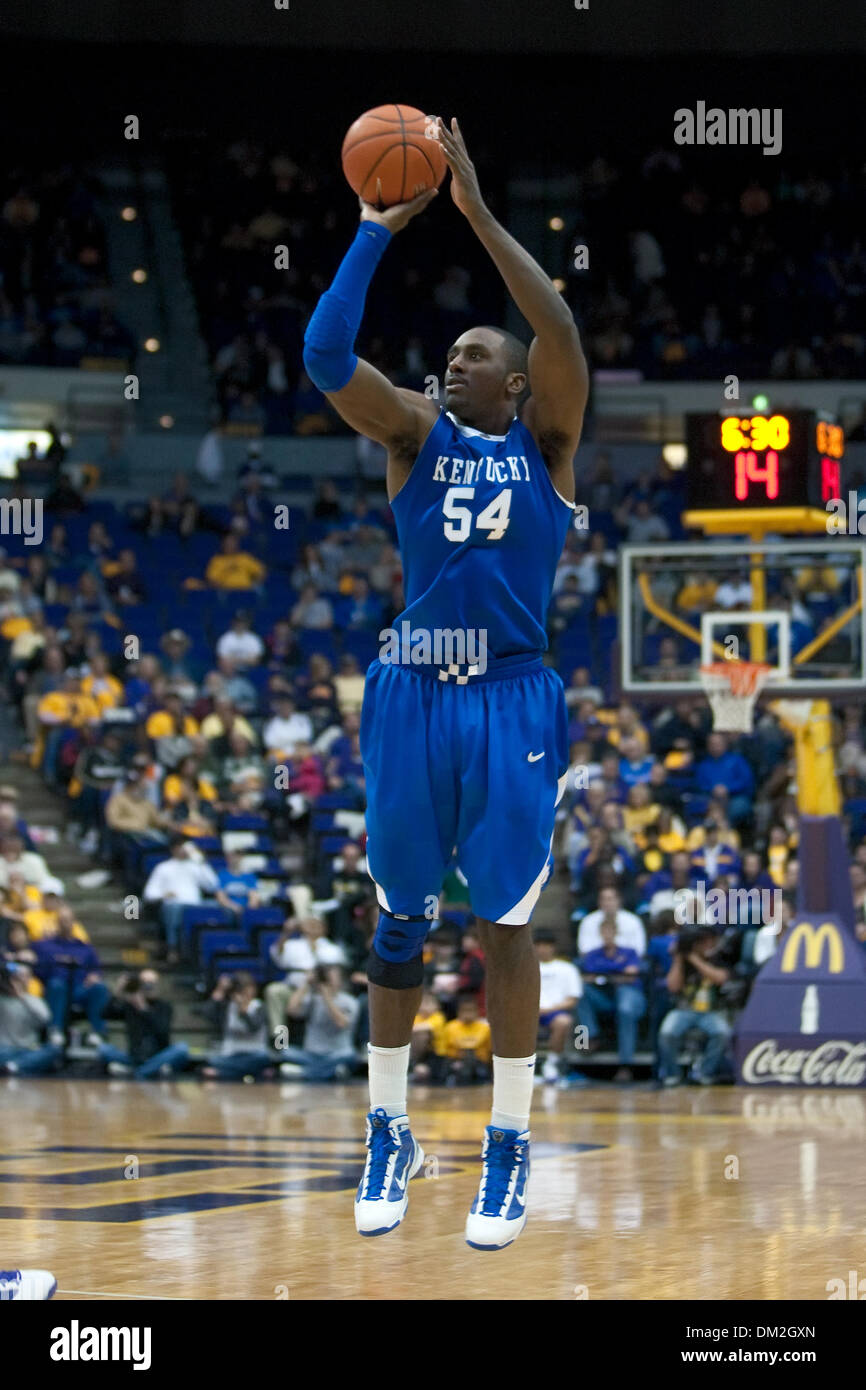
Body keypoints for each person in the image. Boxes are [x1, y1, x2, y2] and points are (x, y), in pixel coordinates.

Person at [303, 115, 587, 1248]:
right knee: (396, 924)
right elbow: (328, 360)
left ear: (513, 387)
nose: (452, 360)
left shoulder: (548, 448)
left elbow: (555, 321)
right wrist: (372, 230)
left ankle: (507, 1149)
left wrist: (470, 208)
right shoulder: (412, 438)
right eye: (453, 353)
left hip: (513, 697)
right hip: (414, 690)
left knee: (503, 930)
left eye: (474, 353)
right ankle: (387, 1128)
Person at [657, 926, 732, 1086]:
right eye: (700, 942)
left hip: (712, 1011)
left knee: (722, 1032)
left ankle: (704, 1073)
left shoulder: (721, 956)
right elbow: (673, 987)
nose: (705, 945)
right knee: (667, 1032)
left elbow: (720, 978)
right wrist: (679, 959)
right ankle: (672, 1074)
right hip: (684, 1010)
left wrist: (694, 959)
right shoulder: (682, 961)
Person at [577, 918, 646, 1082]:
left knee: (625, 1009)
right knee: (581, 991)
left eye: (611, 931)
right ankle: (591, 1036)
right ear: (600, 933)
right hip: (605, 997)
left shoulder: (629, 952)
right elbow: (589, 976)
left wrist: (606, 975)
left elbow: (631, 976)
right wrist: (617, 972)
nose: (607, 935)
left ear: (616, 933)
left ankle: (626, 1065)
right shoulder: (593, 954)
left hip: (629, 995)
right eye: (604, 931)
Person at [263, 916, 346, 1041]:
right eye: (309, 924)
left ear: (324, 928)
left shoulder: (332, 948)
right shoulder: (292, 944)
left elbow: (333, 973)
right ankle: (279, 1039)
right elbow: (276, 955)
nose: (312, 927)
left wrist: (314, 948)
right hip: (295, 989)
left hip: (323, 991)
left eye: (316, 924)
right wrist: (286, 933)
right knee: (274, 991)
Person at [32, 916, 110, 1048]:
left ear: (74, 924)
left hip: (79, 988)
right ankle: (55, 1030)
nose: (65, 924)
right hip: (54, 989)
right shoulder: (43, 945)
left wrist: (94, 976)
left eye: (68, 920)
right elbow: (34, 966)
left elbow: (97, 970)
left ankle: (98, 1032)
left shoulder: (85, 948)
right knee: (57, 985)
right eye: (62, 921)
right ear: (57, 924)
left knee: (100, 988)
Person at [99, 971, 189, 1078]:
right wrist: (118, 992)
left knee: (181, 1049)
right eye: (145, 983)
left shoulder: (165, 1006)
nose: (148, 987)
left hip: (158, 1057)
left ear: (158, 985)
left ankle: (137, 1073)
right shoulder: (130, 1006)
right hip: (134, 1057)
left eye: (152, 983)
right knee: (103, 1049)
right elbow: (104, 1014)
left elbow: (162, 1032)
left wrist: (143, 1008)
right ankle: (148, 1071)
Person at [278, 963, 360, 1081]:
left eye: (332, 977)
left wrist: (327, 997)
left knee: (350, 1055)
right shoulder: (313, 999)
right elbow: (291, 1010)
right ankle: (332, 1071)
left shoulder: (349, 1001)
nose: (328, 980)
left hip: (337, 1053)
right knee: (284, 1052)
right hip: (311, 1054)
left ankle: (304, 1072)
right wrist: (306, 984)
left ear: (340, 981)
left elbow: (341, 1023)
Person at [202, 973, 274, 1080]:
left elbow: (254, 1028)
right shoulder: (228, 1006)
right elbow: (207, 1014)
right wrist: (220, 990)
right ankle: (254, 1073)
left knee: (263, 1058)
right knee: (212, 1060)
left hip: (254, 1054)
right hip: (231, 1054)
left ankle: (223, 1073)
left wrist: (243, 1012)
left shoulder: (259, 1006)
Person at [534, 931, 582, 1083]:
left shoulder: (567, 969)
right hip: (529, 1011)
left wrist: (549, 1009)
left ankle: (551, 1064)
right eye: (539, 946)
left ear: (553, 947)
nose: (542, 949)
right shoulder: (526, 967)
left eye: (546, 946)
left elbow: (573, 999)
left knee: (563, 1022)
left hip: (556, 1012)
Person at [0, 962, 61, 1075]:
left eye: (23, 976)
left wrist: (21, 996)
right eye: (15, 977)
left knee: (54, 1050)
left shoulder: (34, 1000)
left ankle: (13, 1066)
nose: (19, 980)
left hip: (27, 1049)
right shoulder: (2, 999)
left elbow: (45, 1019)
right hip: (3, 1050)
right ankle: (17, 1066)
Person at [439, 992, 493, 1085]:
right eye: (464, 1010)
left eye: (471, 1010)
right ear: (458, 1012)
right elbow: (443, 1050)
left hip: (479, 1062)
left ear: (477, 1012)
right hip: (455, 1061)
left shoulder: (485, 1028)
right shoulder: (450, 1027)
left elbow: (489, 1049)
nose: (468, 1014)